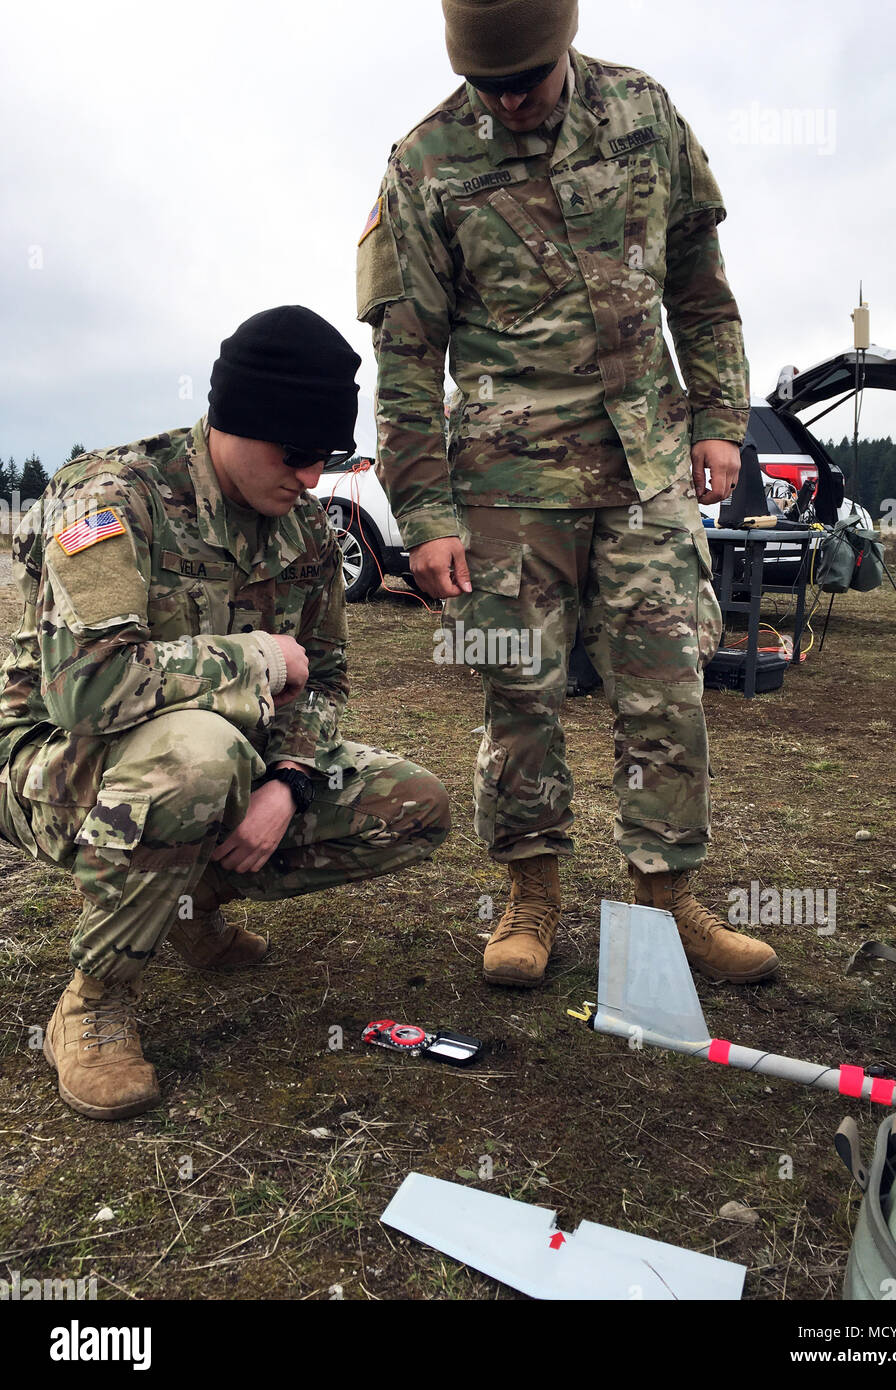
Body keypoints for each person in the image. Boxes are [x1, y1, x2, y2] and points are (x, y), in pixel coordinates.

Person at [356, 0, 777, 988]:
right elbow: (408, 357)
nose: (507, 102)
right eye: (486, 86)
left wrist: (720, 415)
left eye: (526, 82)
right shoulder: (425, 164)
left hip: (646, 460)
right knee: (520, 695)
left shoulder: (644, 115)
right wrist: (423, 516)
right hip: (507, 479)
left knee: (668, 686)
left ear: (565, 41)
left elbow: (698, 283)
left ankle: (666, 901)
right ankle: (530, 896)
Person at [0, 306, 450, 1120]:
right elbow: (85, 690)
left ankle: (188, 903)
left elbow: (328, 676)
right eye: (299, 454)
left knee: (413, 805)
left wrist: (285, 779)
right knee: (199, 754)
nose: (314, 477)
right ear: (236, 423)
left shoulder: (304, 531)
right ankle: (92, 1002)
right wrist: (258, 658)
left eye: (330, 457)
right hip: (53, 761)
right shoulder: (111, 500)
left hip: (219, 765)